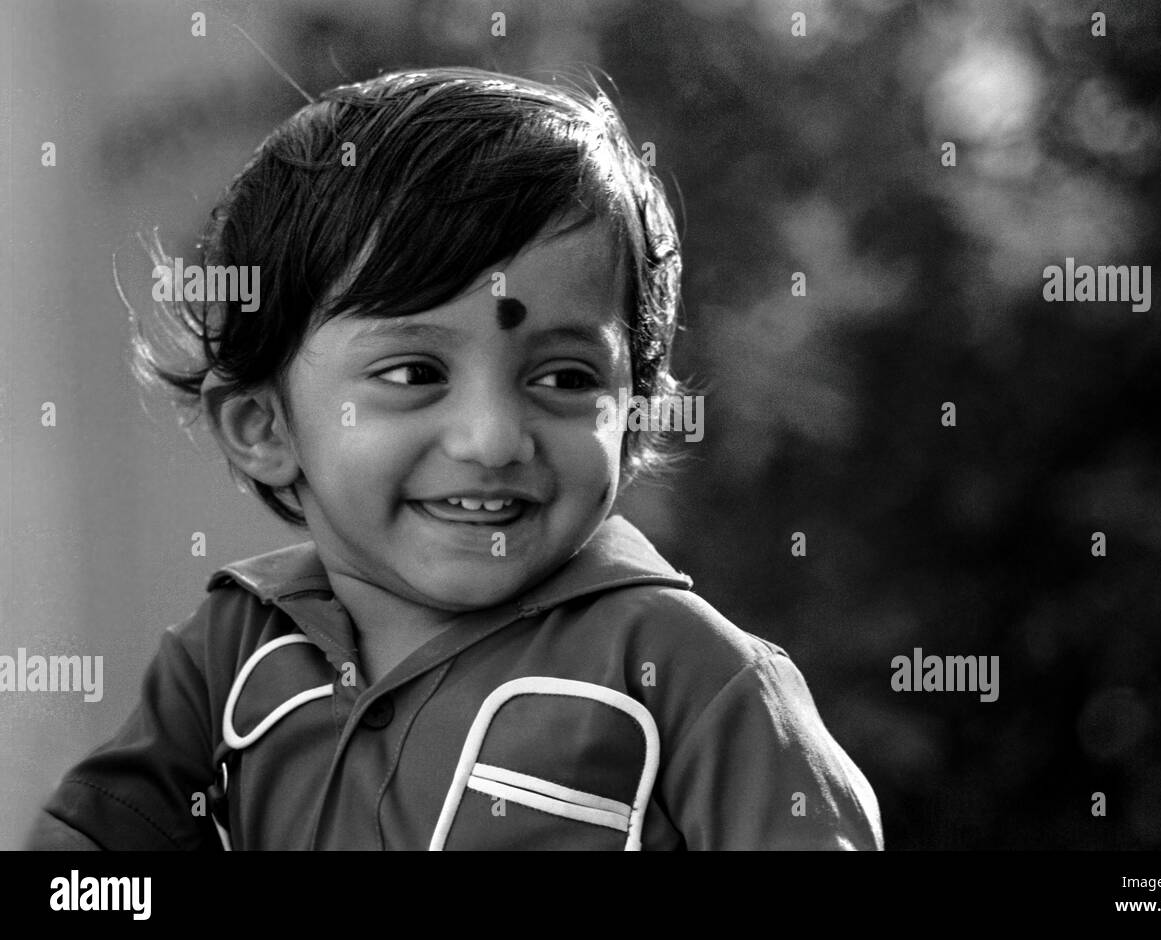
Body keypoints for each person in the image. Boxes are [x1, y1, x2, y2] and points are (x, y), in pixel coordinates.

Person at [26, 67, 883, 850]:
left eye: (563, 376)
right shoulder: (232, 650)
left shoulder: (691, 677)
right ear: (264, 426)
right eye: (413, 373)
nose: (493, 438)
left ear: (635, 417)